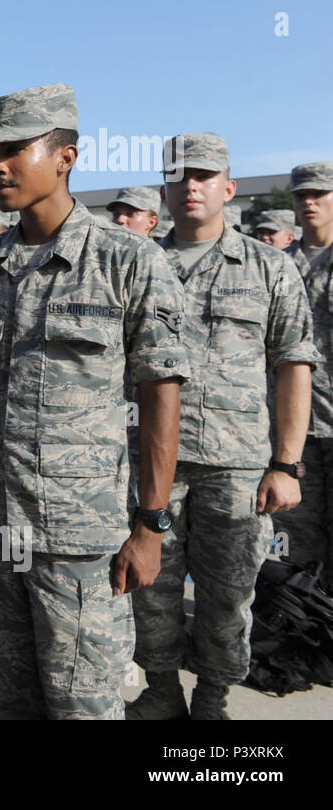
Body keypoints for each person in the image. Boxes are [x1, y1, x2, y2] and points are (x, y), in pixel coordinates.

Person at [0, 82, 188, 719]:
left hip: (80, 536)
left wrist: (151, 523)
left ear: (66, 156)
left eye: (13, 149)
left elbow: (160, 394)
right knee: (3, 702)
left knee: (83, 706)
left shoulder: (127, 261)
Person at [129, 133, 316, 720]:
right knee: (149, 593)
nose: (191, 186)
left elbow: (293, 366)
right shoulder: (136, 263)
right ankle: (160, 696)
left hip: (235, 467)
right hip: (147, 465)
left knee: (228, 597)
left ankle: (212, 701)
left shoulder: (270, 268)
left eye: (204, 176)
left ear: (228, 189)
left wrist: (285, 464)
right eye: (180, 176)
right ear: (163, 191)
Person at [278, 162, 333, 587]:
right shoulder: (279, 266)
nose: (308, 202)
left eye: (319, 193)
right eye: (301, 195)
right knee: (293, 539)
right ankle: (295, 637)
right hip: (297, 432)